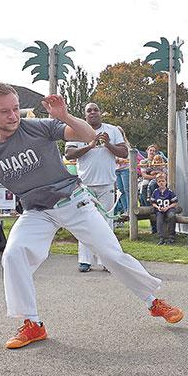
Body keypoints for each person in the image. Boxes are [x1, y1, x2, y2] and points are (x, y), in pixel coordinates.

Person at [0, 82, 183, 349]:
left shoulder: (36, 126)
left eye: (15, 109)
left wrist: (65, 116)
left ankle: (153, 301)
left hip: (73, 201)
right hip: (36, 211)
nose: (12, 116)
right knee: (13, 255)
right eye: (4, 112)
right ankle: (32, 324)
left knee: (111, 253)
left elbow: (87, 133)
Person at [65, 102, 127, 272]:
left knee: (106, 224)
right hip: (85, 185)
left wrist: (108, 144)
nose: (93, 112)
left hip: (107, 184)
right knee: (85, 222)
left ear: (100, 113)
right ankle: (85, 260)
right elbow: (69, 154)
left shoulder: (112, 130)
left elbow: (124, 153)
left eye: (95, 110)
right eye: (89, 110)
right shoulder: (77, 130)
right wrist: (90, 145)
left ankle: (106, 260)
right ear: (85, 115)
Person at [150, 173, 177, 245]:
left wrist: (167, 207)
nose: (161, 183)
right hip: (160, 209)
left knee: (172, 216)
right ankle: (162, 237)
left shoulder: (170, 192)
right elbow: (153, 202)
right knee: (159, 220)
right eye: (159, 181)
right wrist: (157, 207)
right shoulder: (155, 192)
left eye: (163, 181)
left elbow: (174, 203)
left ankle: (171, 236)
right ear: (157, 183)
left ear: (166, 182)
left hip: (169, 208)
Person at [114, 125, 131, 216]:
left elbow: (129, 157)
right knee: (120, 190)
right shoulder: (113, 144)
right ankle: (125, 210)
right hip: (117, 170)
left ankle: (129, 209)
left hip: (125, 169)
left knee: (127, 189)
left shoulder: (125, 144)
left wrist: (121, 160)